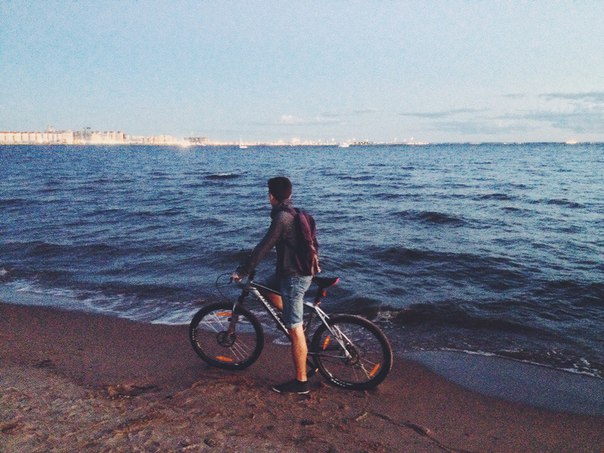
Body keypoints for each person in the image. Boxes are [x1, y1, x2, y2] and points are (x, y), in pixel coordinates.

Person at [232, 176, 314, 395]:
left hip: (294, 277)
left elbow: (264, 247)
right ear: (290, 194)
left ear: (271, 197)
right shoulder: (295, 213)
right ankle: (290, 318)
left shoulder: (282, 218)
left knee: (294, 329)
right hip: (294, 272)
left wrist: (243, 271)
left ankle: (301, 382)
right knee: (263, 287)